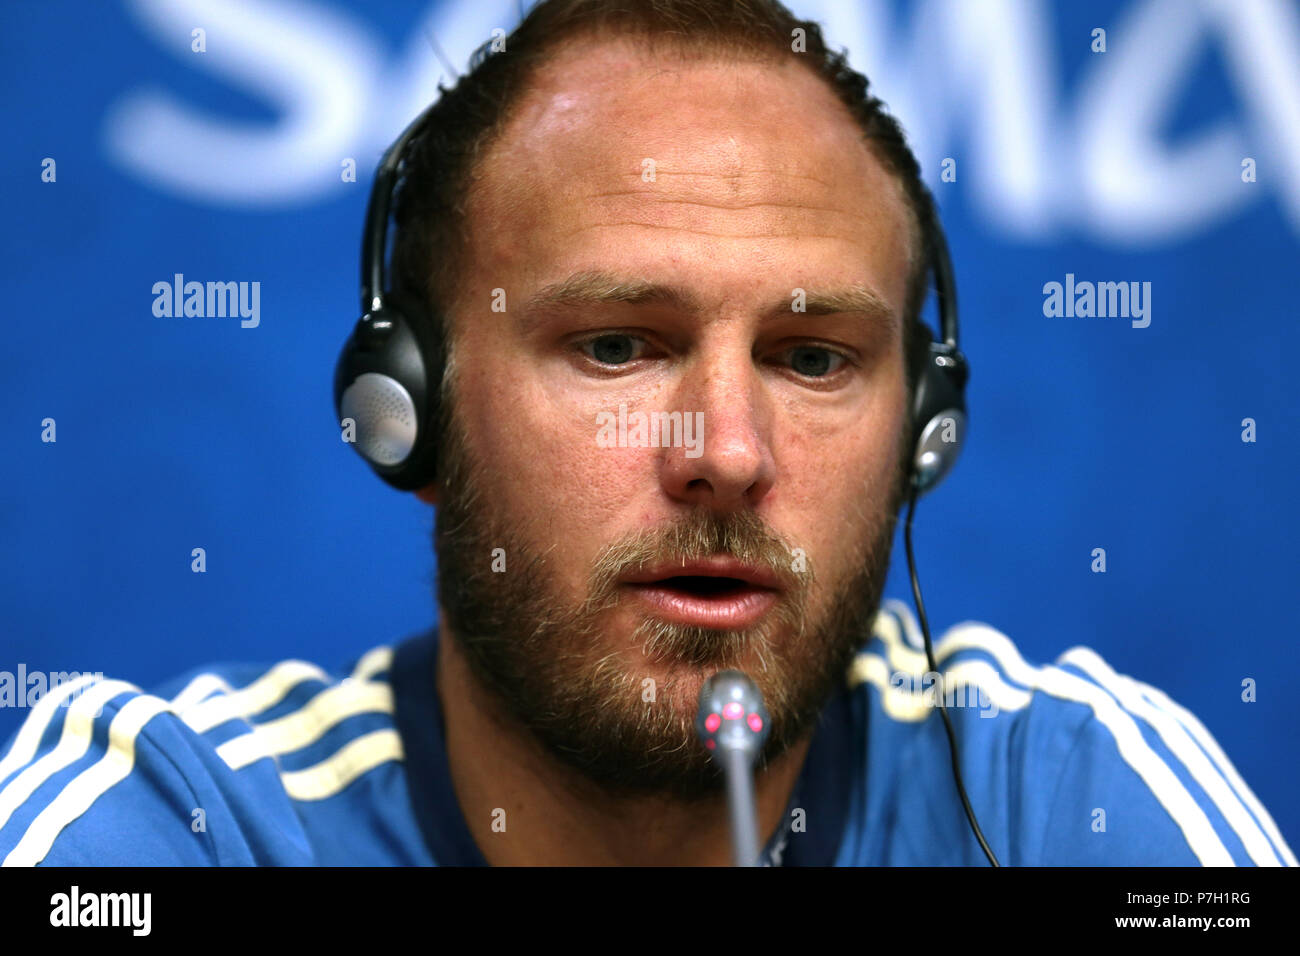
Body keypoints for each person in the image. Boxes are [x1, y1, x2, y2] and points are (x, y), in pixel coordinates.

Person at [0, 0, 1291, 867]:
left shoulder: (1072, 800)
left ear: (924, 437)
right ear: (410, 415)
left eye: (811, 359)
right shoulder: (170, 817)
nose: (727, 451)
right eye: (618, 345)